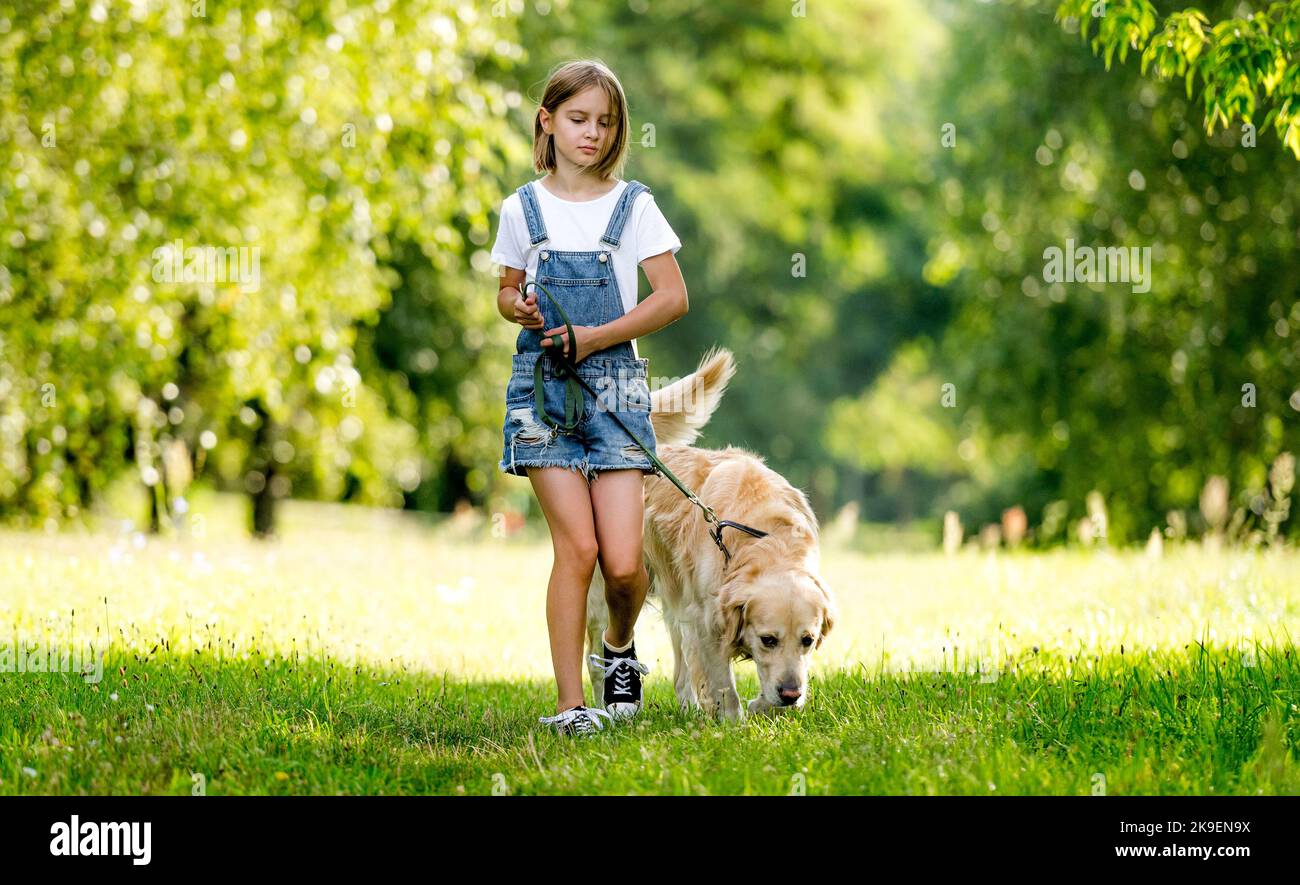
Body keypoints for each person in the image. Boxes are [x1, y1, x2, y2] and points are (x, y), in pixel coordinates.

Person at [491, 59, 689, 736]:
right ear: (547, 121)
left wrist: (597, 334)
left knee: (625, 561)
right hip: (542, 392)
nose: (593, 134)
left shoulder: (634, 206)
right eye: (578, 119)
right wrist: (515, 306)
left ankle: (617, 646)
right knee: (576, 549)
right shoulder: (520, 208)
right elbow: (507, 290)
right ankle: (572, 706)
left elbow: (673, 297)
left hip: (616, 390)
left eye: (605, 123)